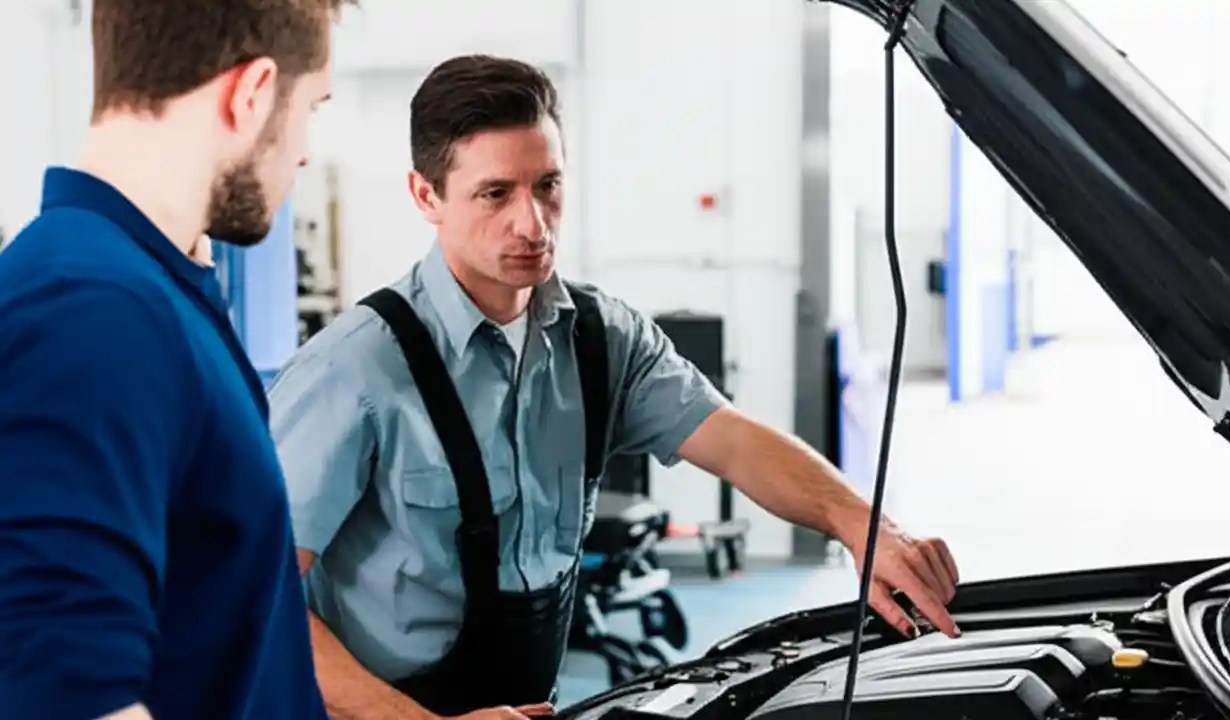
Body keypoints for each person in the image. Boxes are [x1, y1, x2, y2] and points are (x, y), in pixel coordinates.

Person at [268, 54, 961, 720]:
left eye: (548, 185)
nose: (532, 223)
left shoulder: (601, 340)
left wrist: (865, 527)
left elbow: (736, 442)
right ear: (427, 195)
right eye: (495, 194)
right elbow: (253, 595)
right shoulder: (354, 370)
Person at [0, 2, 354, 718]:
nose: (306, 149)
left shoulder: (152, 286)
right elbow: (66, 698)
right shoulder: (91, 307)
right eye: (311, 106)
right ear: (251, 93)